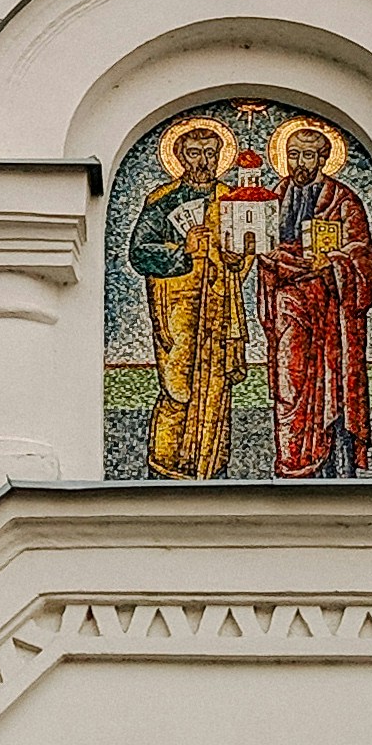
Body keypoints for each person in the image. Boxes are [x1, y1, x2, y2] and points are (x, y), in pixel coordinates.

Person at [129, 120, 254, 478]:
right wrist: (183, 249)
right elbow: (140, 253)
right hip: (179, 304)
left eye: (210, 154)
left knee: (218, 385)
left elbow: (241, 257)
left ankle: (212, 466)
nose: (203, 161)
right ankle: (165, 464)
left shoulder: (231, 199)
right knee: (178, 386)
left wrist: (237, 253)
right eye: (195, 154)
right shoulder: (162, 201)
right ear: (181, 157)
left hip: (220, 302)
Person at [258, 121, 372, 478]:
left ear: (324, 158)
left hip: (330, 312)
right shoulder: (273, 199)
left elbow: (363, 256)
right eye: (293, 155)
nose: (299, 163)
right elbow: (260, 245)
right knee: (289, 384)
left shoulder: (343, 201)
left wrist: (331, 262)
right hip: (286, 304)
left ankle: (331, 465)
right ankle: (292, 461)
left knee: (331, 387)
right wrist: (267, 257)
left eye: (308, 156)